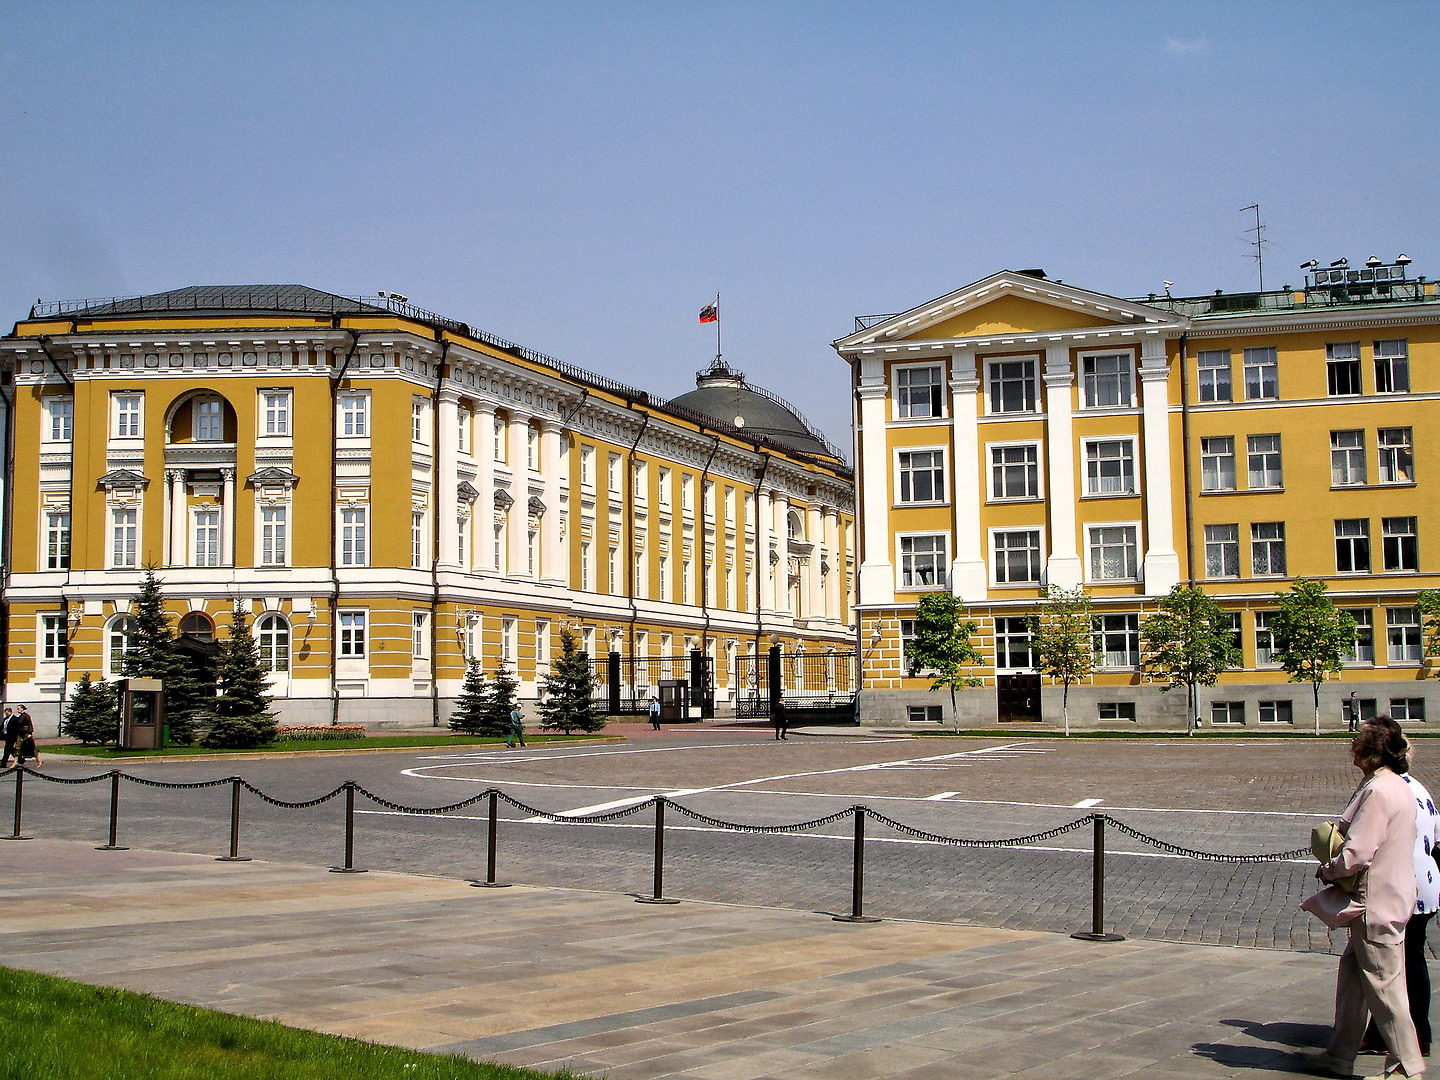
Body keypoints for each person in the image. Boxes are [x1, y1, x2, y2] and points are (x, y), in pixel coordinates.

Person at [1302, 720, 1426, 1079]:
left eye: (1357, 741)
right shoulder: (1393, 784)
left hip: (1376, 903)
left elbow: (1357, 853)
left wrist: (1329, 869)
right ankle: (1339, 1055)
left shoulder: (1380, 790)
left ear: (1370, 752)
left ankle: (1407, 1066)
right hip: (1390, 896)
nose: (1351, 746)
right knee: (1355, 978)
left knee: (1385, 987)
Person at [1360, 718, 1440, 1059]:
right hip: (1425, 881)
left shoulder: (1385, 788)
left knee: (1393, 966)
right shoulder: (1417, 786)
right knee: (1407, 961)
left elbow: (1365, 844)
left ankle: (1411, 1037)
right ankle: (1398, 1033)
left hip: (1400, 885)